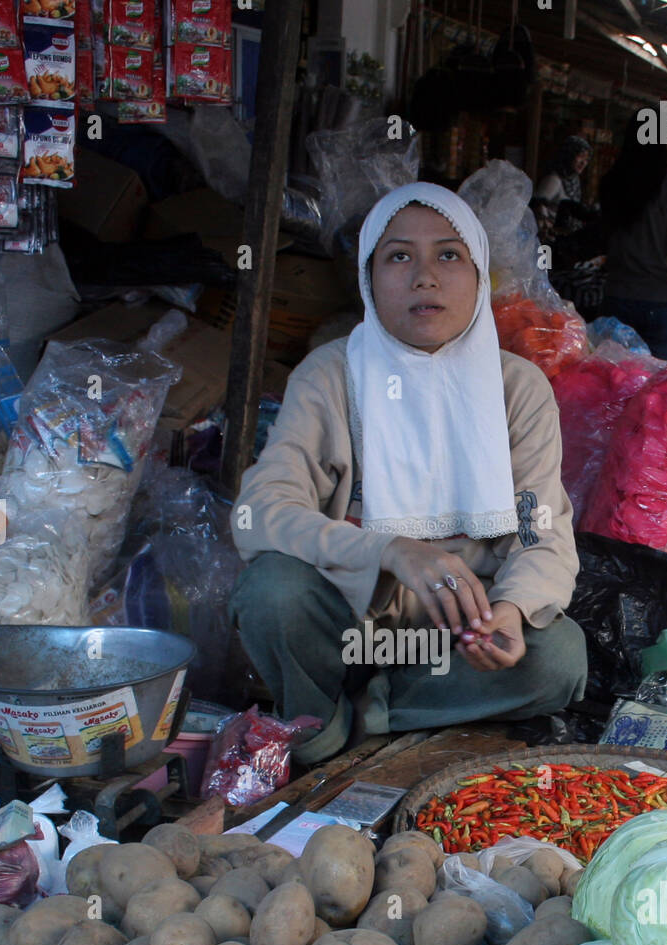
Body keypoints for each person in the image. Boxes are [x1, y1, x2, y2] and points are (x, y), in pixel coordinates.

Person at [228, 183, 588, 768]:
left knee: (560, 657)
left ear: (478, 274)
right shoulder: (329, 376)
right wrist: (391, 551)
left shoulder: (517, 389)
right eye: (399, 256)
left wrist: (512, 611)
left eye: (449, 254)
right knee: (272, 590)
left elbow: (541, 527)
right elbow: (261, 511)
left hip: (457, 639)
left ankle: (355, 717)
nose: (425, 276)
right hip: (349, 622)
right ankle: (324, 712)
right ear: (369, 278)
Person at [596, 117, 667, 360]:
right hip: (660, 305)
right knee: (655, 387)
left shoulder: (610, 186)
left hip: (617, 297)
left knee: (615, 381)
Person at [534, 135, 593, 245]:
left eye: (586, 159)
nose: (583, 163)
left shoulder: (574, 181)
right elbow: (538, 206)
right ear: (569, 155)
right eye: (580, 157)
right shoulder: (554, 180)